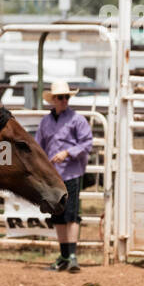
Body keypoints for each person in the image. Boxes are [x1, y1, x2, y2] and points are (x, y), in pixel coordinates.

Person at [35, 80, 93, 272]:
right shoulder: (45, 122)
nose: (64, 100)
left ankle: (72, 255)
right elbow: (39, 147)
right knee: (58, 216)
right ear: (53, 100)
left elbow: (87, 143)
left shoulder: (77, 119)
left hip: (71, 173)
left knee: (71, 215)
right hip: (53, 176)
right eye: (60, 97)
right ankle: (65, 256)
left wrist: (67, 152)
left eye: (66, 97)